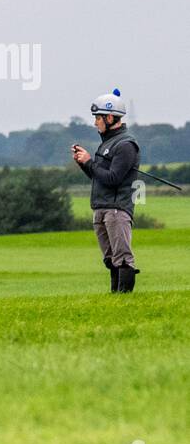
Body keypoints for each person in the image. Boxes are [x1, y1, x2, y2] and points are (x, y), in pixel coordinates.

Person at [72, 89, 140, 293]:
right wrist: (84, 164)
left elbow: (113, 179)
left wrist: (90, 162)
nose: (95, 123)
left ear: (110, 117)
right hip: (101, 208)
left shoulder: (125, 145)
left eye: (98, 118)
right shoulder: (107, 144)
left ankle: (124, 299)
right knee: (110, 259)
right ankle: (115, 297)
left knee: (123, 258)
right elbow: (98, 177)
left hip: (117, 209)